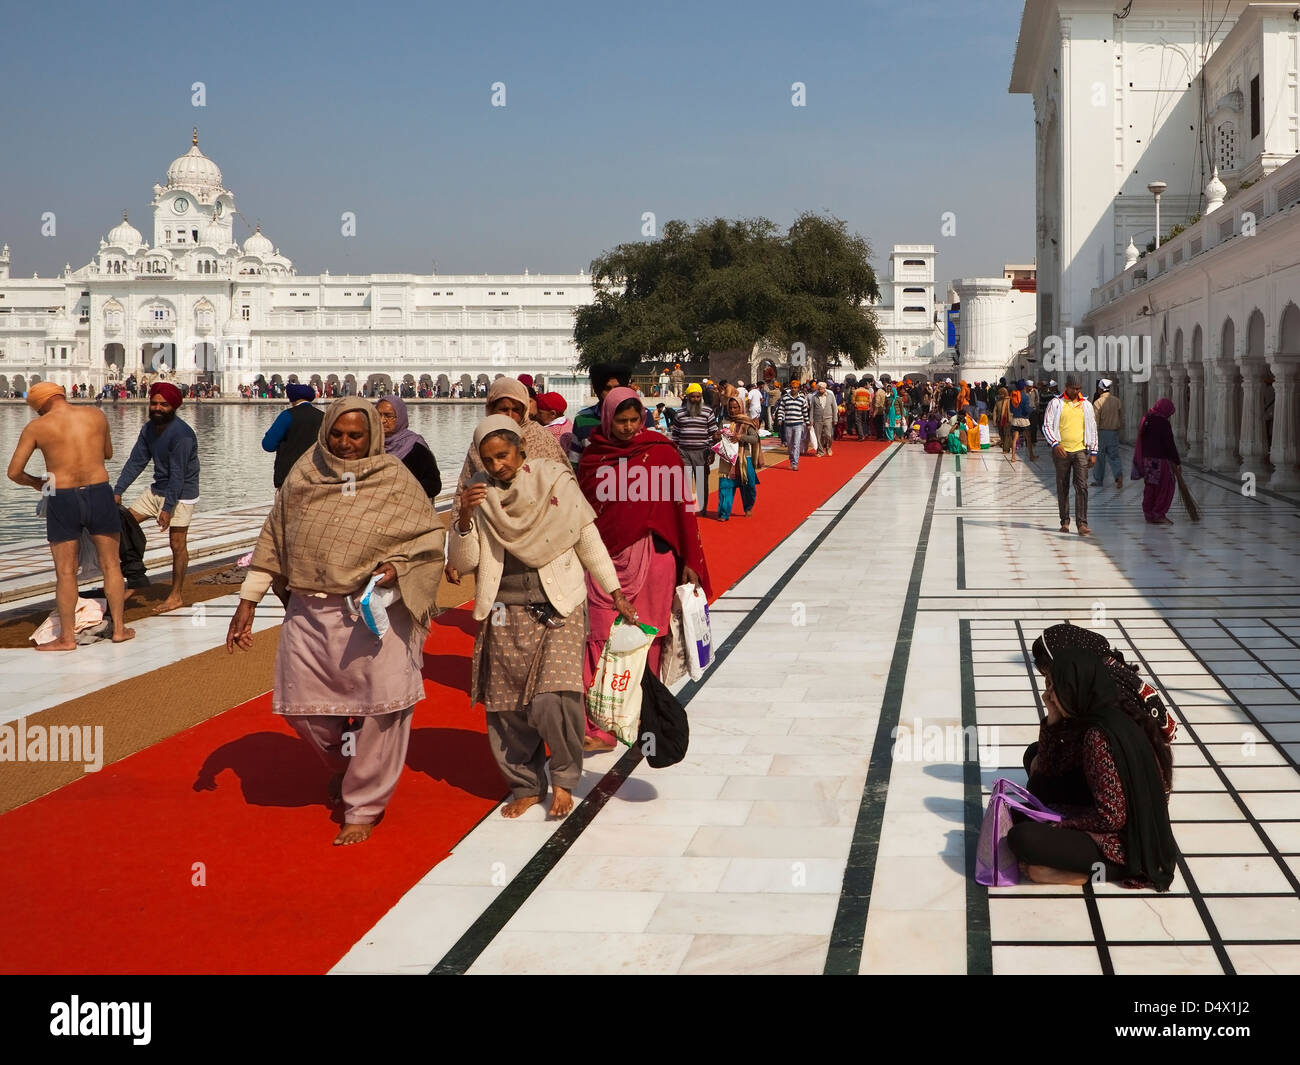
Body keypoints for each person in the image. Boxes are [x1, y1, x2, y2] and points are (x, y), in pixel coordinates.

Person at [225, 398, 444, 846]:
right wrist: (248, 601)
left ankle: (363, 805)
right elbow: (274, 539)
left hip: (374, 614)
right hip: (310, 608)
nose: (345, 443)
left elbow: (427, 538)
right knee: (304, 709)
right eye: (338, 433)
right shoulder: (305, 475)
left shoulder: (393, 478)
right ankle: (347, 763)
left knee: (384, 710)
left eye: (356, 435)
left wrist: (397, 567)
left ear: (373, 437)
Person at [450, 414, 637, 816]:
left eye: (504, 456)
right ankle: (525, 784)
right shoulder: (477, 494)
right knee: (505, 707)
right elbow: (465, 562)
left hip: (560, 604)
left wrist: (615, 592)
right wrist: (463, 518)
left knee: (554, 700)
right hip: (504, 610)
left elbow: (588, 540)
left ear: (521, 450)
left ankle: (565, 779)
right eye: (489, 459)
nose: (498, 465)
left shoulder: (554, 481)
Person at [578, 388, 713, 751]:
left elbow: (683, 508)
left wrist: (691, 561)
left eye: (633, 420)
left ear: (643, 418)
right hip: (604, 560)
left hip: (655, 557)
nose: (626, 427)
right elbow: (583, 513)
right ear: (606, 419)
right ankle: (598, 727)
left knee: (647, 637)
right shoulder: (593, 456)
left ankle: (639, 713)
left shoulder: (661, 452)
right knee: (600, 637)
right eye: (620, 420)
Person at [1009, 646, 1178, 890]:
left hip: (1128, 845)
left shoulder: (1098, 737)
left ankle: (1094, 873)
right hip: (1113, 819)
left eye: (1055, 688)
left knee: (1022, 838)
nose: (1049, 696)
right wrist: (1053, 717)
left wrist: (1062, 823)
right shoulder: (1099, 713)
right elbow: (1047, 775)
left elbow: (1111, 817)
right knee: (1020, 804)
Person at [6, 383, 136, 650]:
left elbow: (14, 472)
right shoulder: (95, 415)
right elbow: (108, 453)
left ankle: (66, 638)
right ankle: (120, 630)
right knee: (112, 565)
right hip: (99, 491)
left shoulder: (37, 427)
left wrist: (36, 483)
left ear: (41, 404)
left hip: (61, 495)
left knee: (66, 572)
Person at [446, 377, 566, 584]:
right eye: (503, 409)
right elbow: (463, 493)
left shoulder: (542, 439)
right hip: (493, 540)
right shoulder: (481, 442)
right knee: (495, 602)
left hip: (540, 540)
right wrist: (455, 551)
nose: (510, 415)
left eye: (516, 409)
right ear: (490, 408)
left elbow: (566, 490)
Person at [113, 382, 200, 614]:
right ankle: (134, 577)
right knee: (121, 525)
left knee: (177, 544)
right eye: (154, 403)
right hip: (157, 489)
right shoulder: (149, 429)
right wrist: (118, 490)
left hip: (182, 494)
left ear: (173, 407)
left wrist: (168, 508)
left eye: (163, 404)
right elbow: (136, 461)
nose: (157, 408)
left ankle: (176, 595)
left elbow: (178, 474)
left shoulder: (182, 435)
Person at [1042, 373, 1098, 535]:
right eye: (1074, 388)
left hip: (1080, 450)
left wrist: (1093, 452)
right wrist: (1055, 443)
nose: (1077, 391)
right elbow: (1046, 425)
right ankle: (1065, 521)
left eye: (1079, 388)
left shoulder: (1086, 405)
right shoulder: (1056, 403)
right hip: (1062, 451)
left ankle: (1082, 524)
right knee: (1063, 485)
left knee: (1082, 486)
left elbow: (1092, 428)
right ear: (1067, 387)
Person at [375, 395, 441, 501]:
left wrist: (402, 490)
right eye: (378, 415)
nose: (382, 420)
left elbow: (433, 485)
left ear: (400, 417)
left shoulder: (415, 446)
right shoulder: (370, 444)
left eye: (388, 416)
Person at [567, 363, 631, 470]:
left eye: (617, 388)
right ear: (598, 390)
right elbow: (575, 463)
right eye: (607, 388)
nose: (612, 393)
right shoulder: (582, 419)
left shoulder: (642, 416)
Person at [261, 383, 324, 490]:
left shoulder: (287, 415)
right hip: (316, 474)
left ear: (292, 398)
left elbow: (268, 445)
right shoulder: (323, 416)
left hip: (289, 475)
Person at [671, 382, 719, 513]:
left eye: (698, 397)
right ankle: (685, 511)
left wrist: (712, 452)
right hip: (684, 452)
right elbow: (675, 435)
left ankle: (702, 510)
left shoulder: (708, 412)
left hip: (702, 452)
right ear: (688, 397)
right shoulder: (680, 413)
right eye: (693, 397)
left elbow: (712, 432)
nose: (696, 399)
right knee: (684, 482)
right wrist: (673, 452)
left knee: (701, 483)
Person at [1132, 397, 1181, 524]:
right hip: (1160, 460)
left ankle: (1149, 513)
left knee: (1151, 486)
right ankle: (1158, 513)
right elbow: (1169, 444)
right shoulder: (1162, 422)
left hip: (1148, 460)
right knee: (1165, 486)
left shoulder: (1148, 418)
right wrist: (1177, 461)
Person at [717, 396, 760, 520]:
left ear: (741, 407)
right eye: (730, 407)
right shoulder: (724, 421)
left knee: (749, 485)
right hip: (727, 459)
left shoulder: (747, 421)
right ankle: (724, 513)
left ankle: (748, 507)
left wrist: (741, 437)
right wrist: (716, 436)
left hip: (744, 459)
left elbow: (755, 439)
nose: (732, 410)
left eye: (735, 407)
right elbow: (718, 436)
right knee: (725, 486)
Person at [1092, 378, 1124, 488]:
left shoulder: (1098, 402)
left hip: (1101, 433)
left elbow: (1095, 420)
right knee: (1114, 456)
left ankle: (1099, 480)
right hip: (1113, 432)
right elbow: (1120, 416)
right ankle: (1118, 475)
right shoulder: (1117, 401)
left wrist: (1093, 436)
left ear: (1100, 389)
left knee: (1099, 458)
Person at [775, 380, 810, 470]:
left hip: (798, 424)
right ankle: (791, 459)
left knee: (796, 443)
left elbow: (805, 412)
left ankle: (795, 463)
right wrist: (780, 419)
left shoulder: (802, 399)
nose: (794, 389)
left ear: (798, 389)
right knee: (790, 444)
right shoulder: (785, 398)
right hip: (788, 424)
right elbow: (781, 409)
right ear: (790, 388)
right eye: (792, 388)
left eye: (795, 388)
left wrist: (807, 423)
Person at [1007, 380, 1037, 462]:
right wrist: (1032, 410)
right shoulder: (1025, 397)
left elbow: (1011, 409)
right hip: (1024, 420)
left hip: (1015, 420)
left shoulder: (1013, 396)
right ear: (1024, 387)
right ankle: (1031, 456)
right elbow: (1027, 409)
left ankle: (1013, 457)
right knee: (1028, 439)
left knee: (1015, 439)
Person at [811, 381, 837, 457]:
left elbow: (834, 407)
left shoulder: (830, 395)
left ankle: (828, 447)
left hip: (828, 418)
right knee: (818, 436)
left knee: (828, 435)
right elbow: (812, 409)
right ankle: (821, 451)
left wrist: (835, 419)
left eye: (822, 389)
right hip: (817, 419)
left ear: (825, 388)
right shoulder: (814, 397)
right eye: (819, 389)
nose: (820, 390)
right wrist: (811, 420)